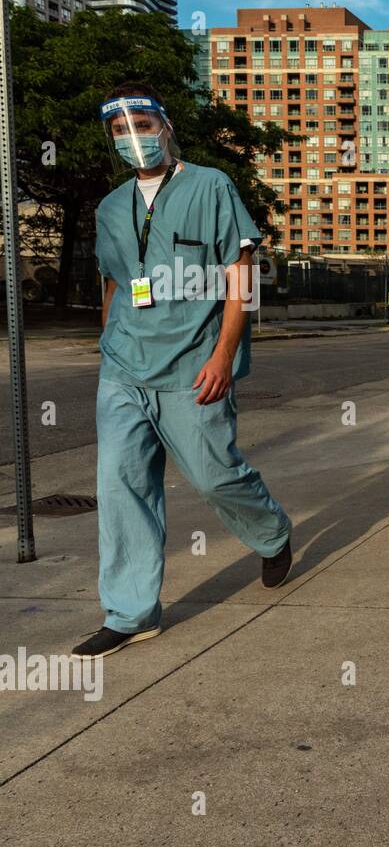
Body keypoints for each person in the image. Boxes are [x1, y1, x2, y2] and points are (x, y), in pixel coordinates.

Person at [73, 83, 293, 660]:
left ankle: (272, 535)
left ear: (165, 126)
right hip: (123, 369)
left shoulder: (211, 186)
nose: (133, 138)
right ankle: (130, 612)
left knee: (215, 476)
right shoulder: (109, 207)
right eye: (120, 130)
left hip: (194, 366)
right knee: (121, 487)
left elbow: (239, 275)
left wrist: (223, 355)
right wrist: (107, 345)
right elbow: (116, 281)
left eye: (141, 124)